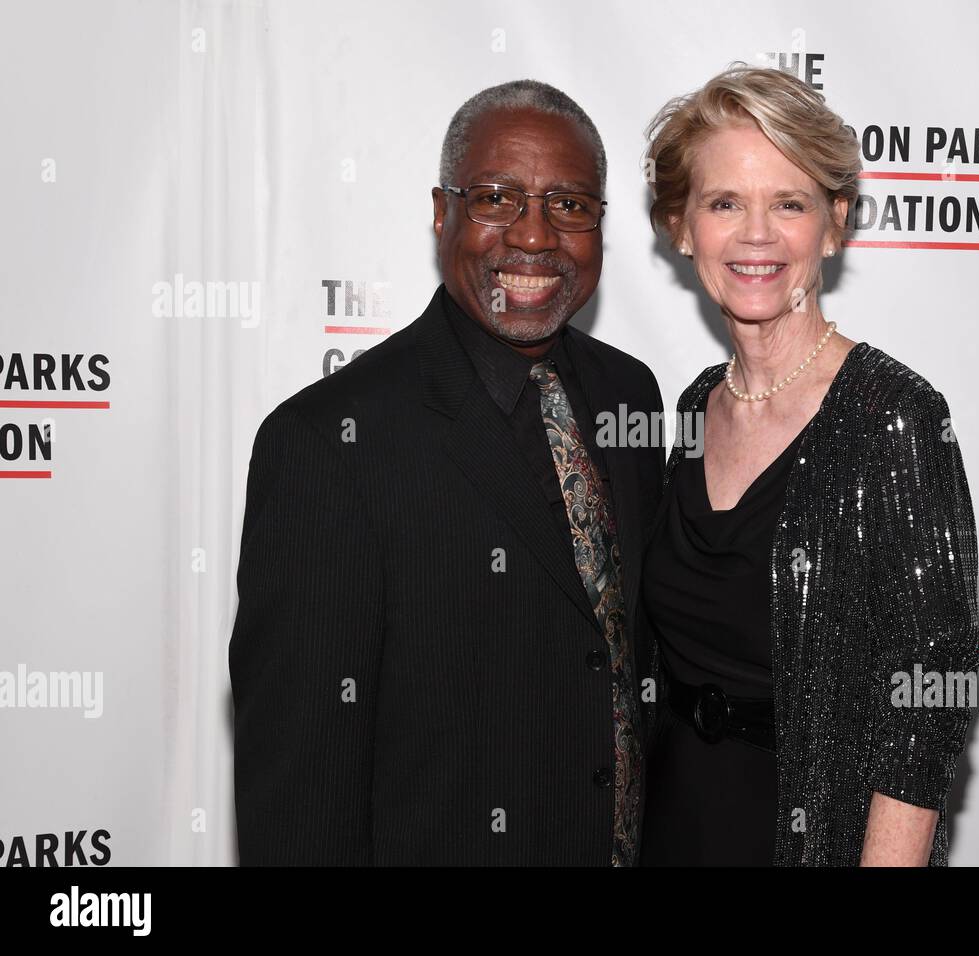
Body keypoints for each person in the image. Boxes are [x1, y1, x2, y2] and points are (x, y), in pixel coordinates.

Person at [229, 80, 665, 865]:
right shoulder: (327, 446)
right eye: (497, 197)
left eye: (569, 205)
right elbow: (300, 795)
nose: (534, 238)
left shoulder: (630, 397)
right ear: (443, 213)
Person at [638, 64, 979, 866]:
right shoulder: (693, 408)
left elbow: (928, 696)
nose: (756, 235)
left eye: (788, 203)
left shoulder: (895, 415)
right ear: (682, 226)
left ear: (833, 224)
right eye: (725, 203)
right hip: (670, 830)